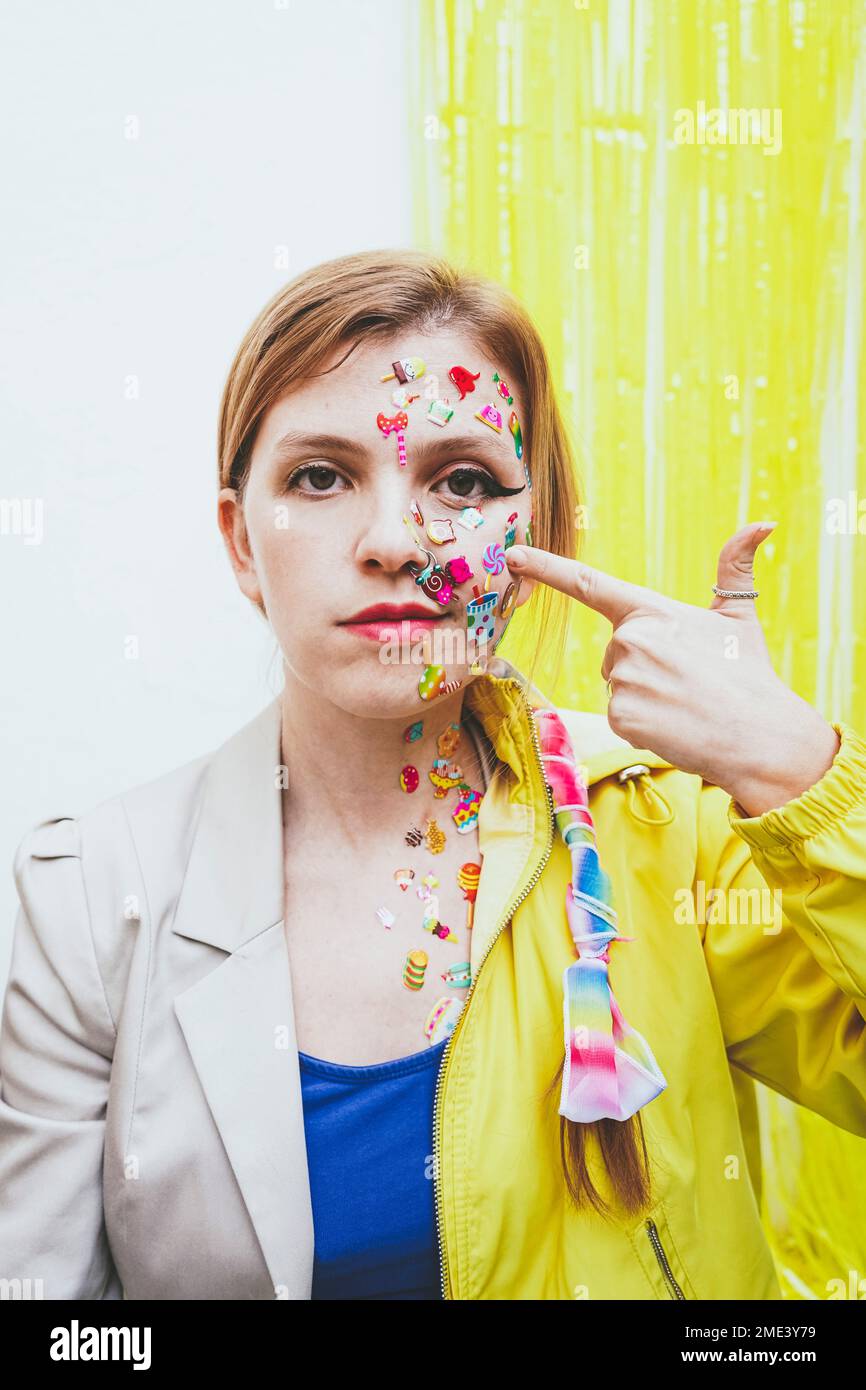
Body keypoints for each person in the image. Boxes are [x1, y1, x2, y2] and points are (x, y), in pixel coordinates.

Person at [1, 248, 864, 1301]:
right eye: (320, 477)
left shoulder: (661, 822)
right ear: (239, 544)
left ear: (532, 530)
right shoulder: (89, 896)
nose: (396, 541)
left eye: (461, 481)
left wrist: (793, 767)